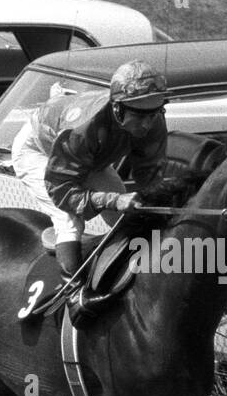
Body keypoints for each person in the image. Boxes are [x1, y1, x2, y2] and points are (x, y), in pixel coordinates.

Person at [11, 60, 169, 276]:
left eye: (153, 113)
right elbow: (63, 192)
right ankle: (71, 288)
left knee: (129, 219)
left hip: (88, 158)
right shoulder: (83, 129)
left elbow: (150, 175)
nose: (147, 124)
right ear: (117, 108)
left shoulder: (154, 121)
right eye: (139, 116)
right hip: (39, 152)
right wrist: (113, 200)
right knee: (70, 221)